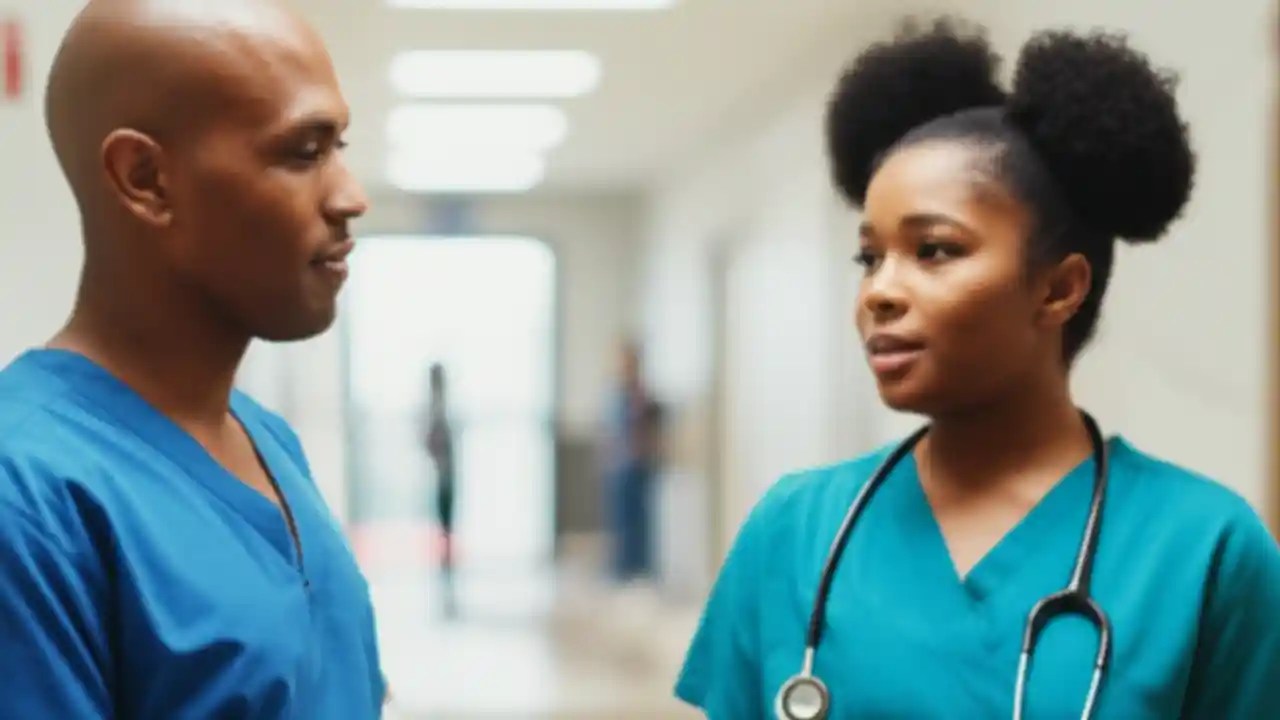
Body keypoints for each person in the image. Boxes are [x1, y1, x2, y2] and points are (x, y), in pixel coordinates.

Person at [676, 18, 1280, 719]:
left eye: (933, 250)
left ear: (1058, 288)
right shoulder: (796, 528)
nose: (878, 292)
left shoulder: (1203, 549)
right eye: (870, 257)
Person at [0, 0, 383, 717]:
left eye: (340, 147)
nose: (349, 197)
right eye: (304, 153)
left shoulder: (268, 443)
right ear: (146, 178)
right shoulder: (26, 493)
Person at [604, 340, 663, 582]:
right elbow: (609, 434)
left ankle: (640, 571)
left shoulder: (643, 396)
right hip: (618, 468)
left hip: (638, 468)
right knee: (620, 523)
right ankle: (622, 571)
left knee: (639, 524)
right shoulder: (614, 395)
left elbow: (651, 432)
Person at [423, 362, 458, 615]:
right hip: (440, 476)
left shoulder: (442, 408)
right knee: (443, 526)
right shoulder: (435, 409)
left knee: (446, 526)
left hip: (446, 476)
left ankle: (446, 564)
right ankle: (444, 564)